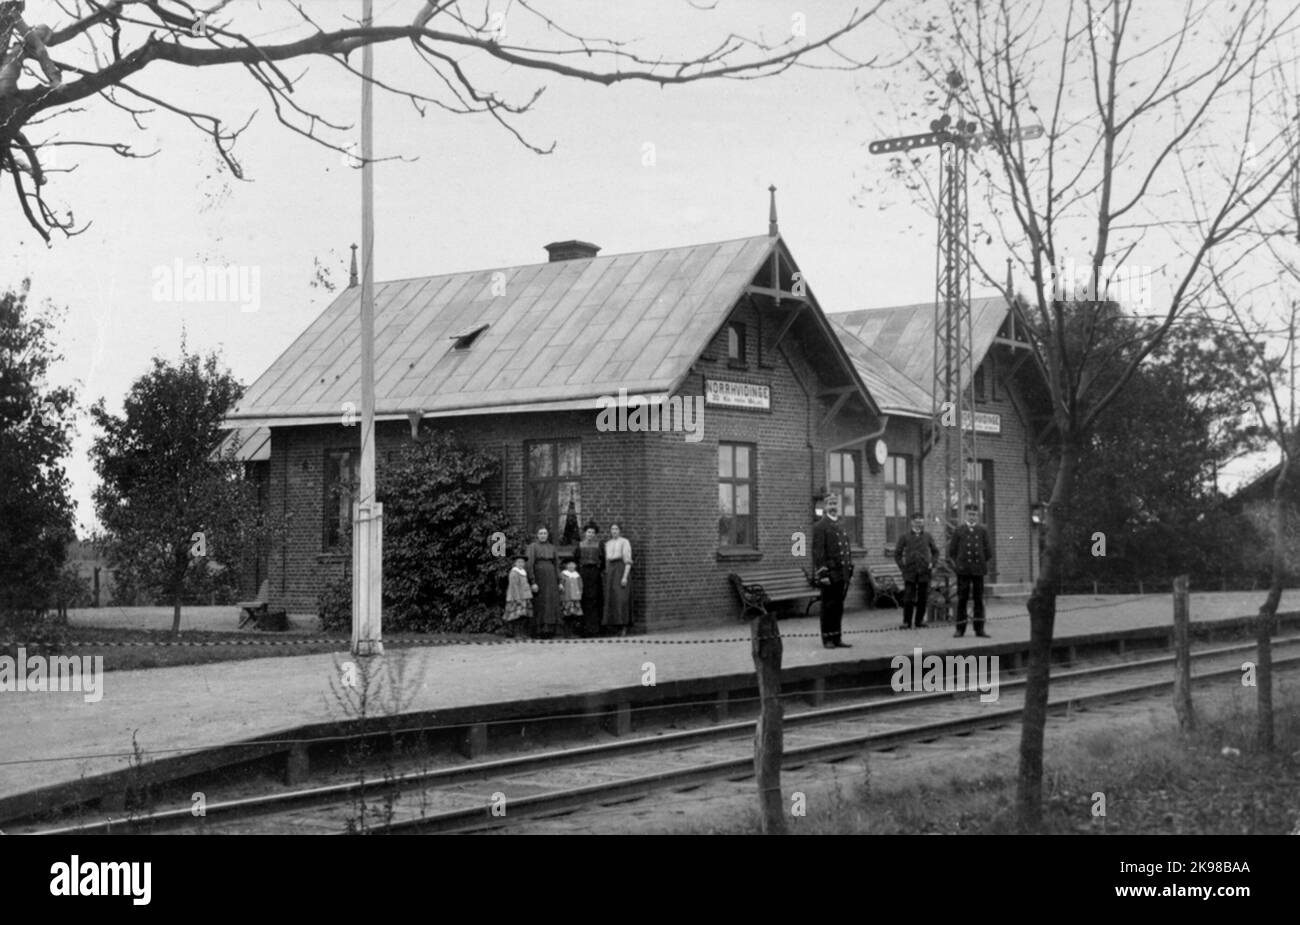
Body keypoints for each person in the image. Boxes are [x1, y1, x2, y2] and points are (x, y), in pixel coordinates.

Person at [812, 493, 854, 648]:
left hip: (841, 573)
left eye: (835, 503)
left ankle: (837, 637)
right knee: (827, 606)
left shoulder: (841, 524)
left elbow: (846, 549)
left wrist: (848, 570)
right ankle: (827, 639)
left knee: (838, 606)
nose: (833, 506)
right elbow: (818, 552)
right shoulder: (820, 526)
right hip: (829, 573)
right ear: (824, 506)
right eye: (830, 503)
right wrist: (822, 574)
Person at [947, 503, 993, 638]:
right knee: (963, 599)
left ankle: (979, 629)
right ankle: (960, 629)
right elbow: (952, 551)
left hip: (978, 570)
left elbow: (988, 552)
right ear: (965, 515)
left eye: (974, 515)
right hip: (964, 570)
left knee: (979, 599)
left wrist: (982, 563)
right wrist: (958, 565)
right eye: (970, 514)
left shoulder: (982, 531)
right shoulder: (959, 530)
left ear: (977, 516)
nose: (972, 517)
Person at [894, 512, 939, 629]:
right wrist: (903, 567)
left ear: (923, 522)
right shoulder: (904, 536)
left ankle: (919, 620)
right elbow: (897, 554)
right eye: (916, 521)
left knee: (922, 597)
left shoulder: (928, 536)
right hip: (910, 572)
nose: (918, 523)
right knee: (908, 597)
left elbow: (935, 552)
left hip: (924, 571)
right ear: (911, 522)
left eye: (920, 521)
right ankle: (906, 621)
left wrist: (932, 563)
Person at [526, 526, 561, 637]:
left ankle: (550, 630)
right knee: (540, 602)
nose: (543, 535)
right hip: (539, 576)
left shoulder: (552, 547)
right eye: (540, 533)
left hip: (551, 578)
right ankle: (539, 630)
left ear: (548, 535)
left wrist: (558, 580)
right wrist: (532, 581)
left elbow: (556, 565)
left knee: (551, 602)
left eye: (545, 533)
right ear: (537, 535)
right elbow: (529, 564)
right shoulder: (532, 547)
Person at [602, 522, 633, 636]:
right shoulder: (608, 544)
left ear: (620, 530)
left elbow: (628, 561)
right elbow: (607, 560)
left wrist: (625, 576)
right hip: (611, 571)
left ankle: (623, 626)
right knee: (612, 599)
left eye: (616, 529)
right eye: (612, 529)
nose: (614, 531)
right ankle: (614, 627)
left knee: (621, 599)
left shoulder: (624, 542)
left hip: (620, 570)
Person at [576, 521, 604, 637]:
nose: (590, 534)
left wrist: (598, 570)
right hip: (583, 573)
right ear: (585, 533)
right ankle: (585, 629)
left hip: (595, 573)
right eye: (588, 532)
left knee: (595, 599)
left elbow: (603, 560)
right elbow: (576, 559)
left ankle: (595, 629)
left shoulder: (599, 545)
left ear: (595, 534)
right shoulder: (580, 545)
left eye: (593, 532)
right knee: (584, 599)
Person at [503, 555, 532, 636]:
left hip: (525, 596)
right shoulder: (514, 573)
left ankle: (521, 632)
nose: (520, 564)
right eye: (518, 562)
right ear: (515, 563)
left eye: (522, 562)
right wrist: (517, 598)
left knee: (523, 616)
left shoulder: (523, 572)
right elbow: (514, 586)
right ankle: (514, 633)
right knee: (515, 616)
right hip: (516, 597)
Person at [560, 559, 583, 635]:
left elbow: (580, 586)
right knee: (567, 615)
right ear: (566, 566)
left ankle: (574, 632)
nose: (571, 566)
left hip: (575, 598)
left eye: (573, 564)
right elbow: (561, 585)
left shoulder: (577, 575)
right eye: (569, 564)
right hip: (567, 598)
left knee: (575, 615)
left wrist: (580, 593)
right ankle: (567, 633)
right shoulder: (563, 574)